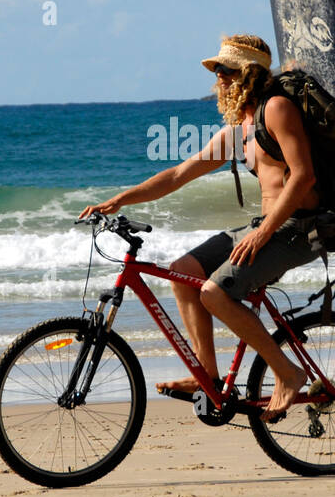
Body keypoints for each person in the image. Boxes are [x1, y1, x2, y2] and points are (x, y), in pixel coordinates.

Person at [78, 34, 322, 422]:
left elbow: (304, 177)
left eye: (225, 71)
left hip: (298, 228)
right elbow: (177, 174)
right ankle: (206, 373)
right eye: (218, 71)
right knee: (183, 272)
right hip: (265, 226)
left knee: (214, 293)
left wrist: (261, 234)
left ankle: (288, 372)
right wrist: (119, 199)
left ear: (248, 74)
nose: (218, 79)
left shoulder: (277, 109)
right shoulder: (243, 127)